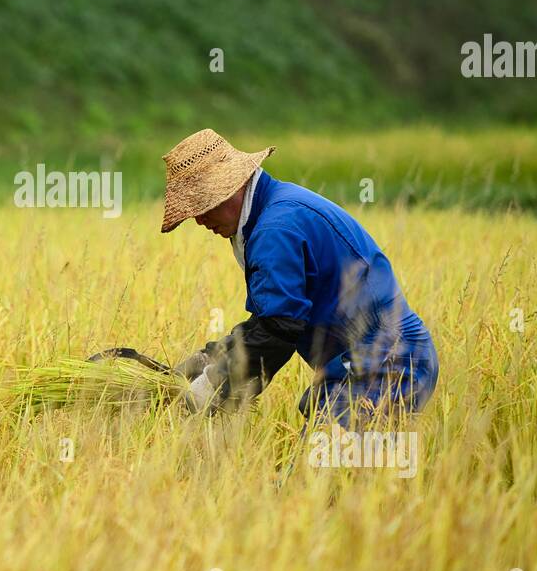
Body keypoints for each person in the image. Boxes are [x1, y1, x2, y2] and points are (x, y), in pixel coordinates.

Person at [161, 129, 438, 427]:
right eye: (194, 212)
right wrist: (211, 357)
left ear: (232, 187)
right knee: (336, 470)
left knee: (319, 469)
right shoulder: (273, 209)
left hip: (386, 364)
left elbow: (278, 332)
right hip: (375, 362)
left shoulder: (275, 230)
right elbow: (270, 320)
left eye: (205, 206)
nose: (200, 220)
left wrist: (211, 385)